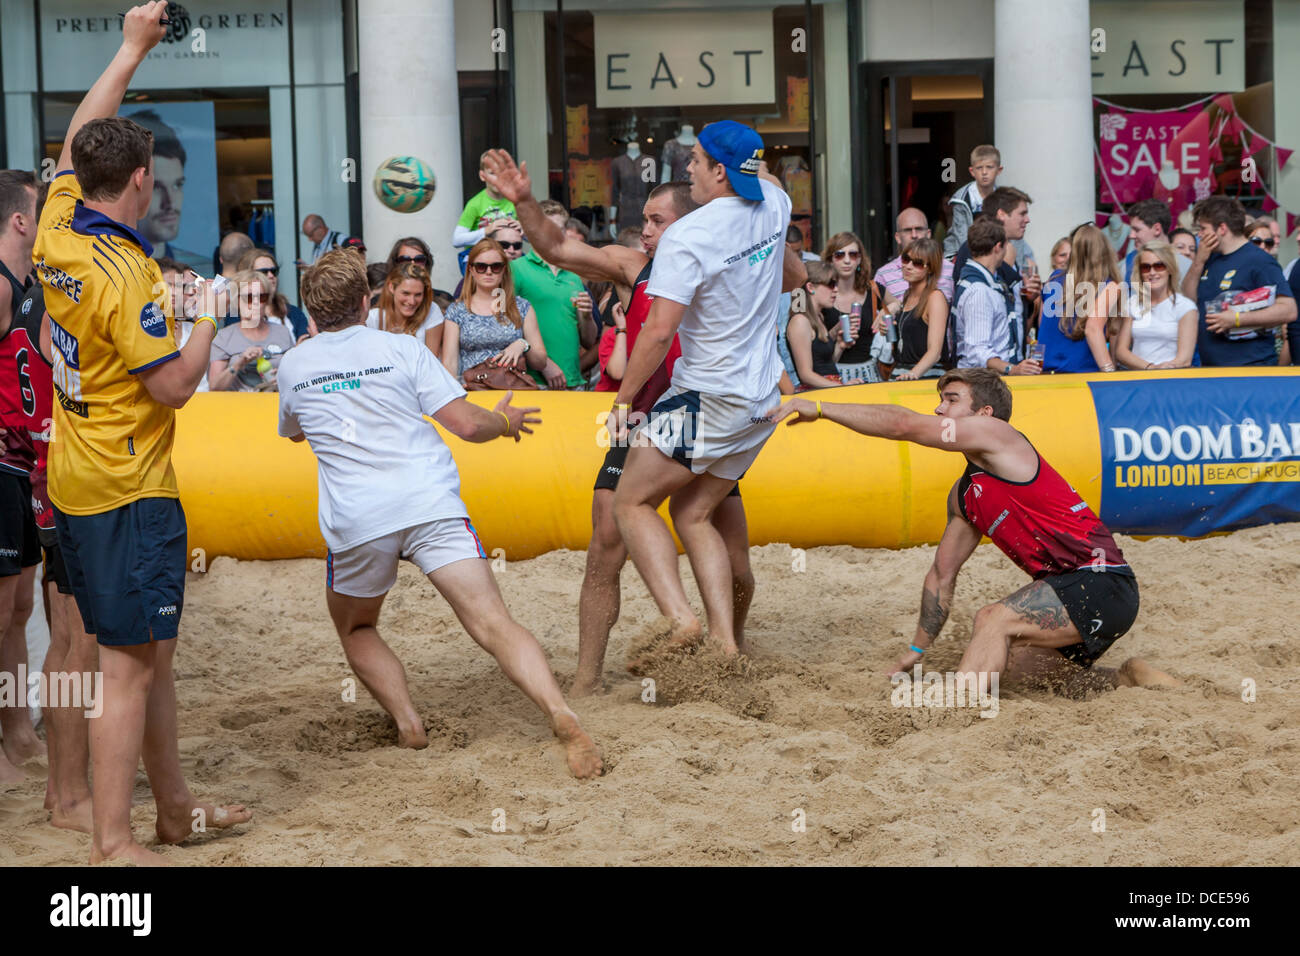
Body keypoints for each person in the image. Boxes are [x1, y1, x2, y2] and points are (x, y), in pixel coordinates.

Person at [35, 2, 250, 864]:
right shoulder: (129, 276)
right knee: (125, 668)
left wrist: (130, 49)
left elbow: (81, 134)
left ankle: (173, 810)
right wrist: (205, 313)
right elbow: (172, 389)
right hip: (129, 491)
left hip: (74, 478)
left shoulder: (56, 217)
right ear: (138, 185)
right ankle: (113, 843)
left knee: (146, 652)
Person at [279, 249, 602, 778]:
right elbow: (469, 426)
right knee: (495, 623)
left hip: (359, 518)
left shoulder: (296, 363)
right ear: (367, 301)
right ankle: (561, 714)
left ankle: (409, 723)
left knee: (358, 629)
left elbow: (294, 430)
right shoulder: (400, 349)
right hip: (428, 499)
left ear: (312, 313)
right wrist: (506, 422)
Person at [482, 149, 789, 694]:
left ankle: (724, 651)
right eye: (644, 221)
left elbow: (788, 275)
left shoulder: (715, 247)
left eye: (657, 221)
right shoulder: (633, 266)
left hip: (704, 411)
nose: (645, 231)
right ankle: (585, 679)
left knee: (733, 558)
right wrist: (524, 201)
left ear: (693, 219)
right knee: (606, 547)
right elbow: (554, 246)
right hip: (656, 417)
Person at [771, 369, 1181, 691]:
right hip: (1067, 595)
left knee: (991, 620)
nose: (938, 410)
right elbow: (941, 575)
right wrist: (917, 650)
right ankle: (1126, 676)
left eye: (951, 400)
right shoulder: (965, 495)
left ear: (984, 413)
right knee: (1015, 672)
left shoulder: (999, 435)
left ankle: (955, 714)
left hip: (1102, 583)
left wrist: (820, 408)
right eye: (939, 401)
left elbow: (902, 425)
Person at [607, 120, 793, 661]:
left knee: (632, 502)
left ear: (719, 171)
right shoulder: (775, 208)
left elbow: (659, 331)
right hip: (760, 404)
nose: (685, 167)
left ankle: (681, 620)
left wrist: (622, 401)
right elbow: (771, 183)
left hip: (708, 396)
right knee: (691, 515)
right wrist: (752, 165)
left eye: (696, 159)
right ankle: (723, 642)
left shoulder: (689, 235)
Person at [3, 277, 96, 827]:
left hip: (45, 483)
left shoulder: (33, 292)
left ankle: (60, 789)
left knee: (64, 638)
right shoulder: (58, 296)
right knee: (80, 644)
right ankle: (70, 796)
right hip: (71, 486)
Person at [0, 168, 43, 784]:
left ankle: (18, 728)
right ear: (18, 220)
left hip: (29, 463)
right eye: (42, 209)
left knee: (19, 607)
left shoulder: (35, 281)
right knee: (3, 606)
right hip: (3, 460)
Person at [1181, 196, 1297, 367]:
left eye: (1203, 228)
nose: (1200, 234)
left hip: (1250, 367)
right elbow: (1188, 299)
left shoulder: (1259, 260)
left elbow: (1288, 310)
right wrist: (1199, 261)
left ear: (1221, 228)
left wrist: (1236, 319)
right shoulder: (1208, 257)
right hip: (1211, 368)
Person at [510, 199, 597, 389]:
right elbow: (506, 327)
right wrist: (545, 365)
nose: (553, 233)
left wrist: (587, 316)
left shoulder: (574, 274)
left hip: (573, 381)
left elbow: (589, 341)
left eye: (559, 228)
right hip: (534, 381)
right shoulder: (516, 269)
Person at [441, 238, 548, 382]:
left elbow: (540, 363)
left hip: (512, 390)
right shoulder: (456, 311)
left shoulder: (522, 307)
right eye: (481, 266)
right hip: (472, 390)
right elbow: (449, 363)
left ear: (504, 269)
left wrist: (523, 344)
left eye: (495, 266)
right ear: (471, 270)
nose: (489, 272)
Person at [955, 219, 1040, 376]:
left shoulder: (988, 283)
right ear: (998, 247)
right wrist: (1012, 369)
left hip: (988, 378)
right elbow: (977, 351)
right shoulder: (979, 291)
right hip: (983, 381)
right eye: (1007, 244)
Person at [1039, 223, 1122, 373]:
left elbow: (1042, 327)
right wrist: (1109, 372)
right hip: (1082, 375)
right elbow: (1093, 329)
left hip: (1046, 373)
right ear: (1105, 252)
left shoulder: (1054, 278)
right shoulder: (1108, 285)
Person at [820, 231, 899, 383]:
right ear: (830, 260)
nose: (847, 260)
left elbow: (899, 303)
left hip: (871, 374)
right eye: (839, 255)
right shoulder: (822, 295)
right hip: (834, 376)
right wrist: (836, 331)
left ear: (859, 260)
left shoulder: (873, 289)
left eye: (853, 255)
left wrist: (890, 309)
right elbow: (816, 345)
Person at [951, 188, 1042, 312]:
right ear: (1001, 215)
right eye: (1022, 213)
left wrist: (1029, 296)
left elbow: (1015, 311)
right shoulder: (975, 248)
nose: (1027, 220)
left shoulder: (1012, 249)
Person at [1114, 241, 1197, 370]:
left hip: (1171, 379)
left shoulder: (1185, 307)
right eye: (1145, 267)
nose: (1152, 273)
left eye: (1159, 266)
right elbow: (1121, 351)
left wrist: (1161, 370)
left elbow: (1184, 359)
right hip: (1138, 378)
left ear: (1170, 268)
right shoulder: (1133, 303)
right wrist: (1150, 368)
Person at [208, 269, 296, 391]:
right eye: (249, 297)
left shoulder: (282, 332)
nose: (256, 303)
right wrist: (239, 363)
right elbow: (214, 386)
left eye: (262, 297)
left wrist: (284, 379)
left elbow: (297, 376)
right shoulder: (223, 338)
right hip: (239, 407)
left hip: (276, 404)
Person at [891, 238, 951, 379]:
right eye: (906, 259)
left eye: (917, 263)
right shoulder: (907, 295)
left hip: (926, 375)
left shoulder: (935, 297)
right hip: (900, 372)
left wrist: (912, 374)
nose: (908, 266)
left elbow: (935, 352)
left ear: (930, 268)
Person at [785, 261, 845, 389]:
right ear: (811, 287)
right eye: (831, 284)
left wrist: (840, 345)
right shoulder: (800, 321)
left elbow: (824, 366)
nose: (836, 289)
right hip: (817, 397)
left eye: (836, 284)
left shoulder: (818, 317)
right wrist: (841, 388)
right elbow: (806, 374)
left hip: (827, 391)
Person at [875, 208, 955, 301]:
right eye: (908, 230)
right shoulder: (883, 275)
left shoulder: (950, 270)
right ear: (898, 238)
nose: (914, 235)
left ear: (928, 234)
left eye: (919, 229)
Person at [367, 260, 443, 356]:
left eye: (418, 295)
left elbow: (431, 361)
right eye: (406, 293)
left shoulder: (431, 311)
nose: (412, 301)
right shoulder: (374, 318)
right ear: (391, 287)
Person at [236, 247, 309, 341]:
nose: (271, 276)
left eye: (274, 271)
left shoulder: (294, 313)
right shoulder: (236, 315)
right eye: (263, 272)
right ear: (248, 276)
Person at [453, 152, 518, 255]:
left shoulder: (515, 201)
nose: (498, 179)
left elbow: (532, 239)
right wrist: (487, 230)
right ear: (482, 176)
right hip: (479, 255)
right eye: (492, 173)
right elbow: (456, 240)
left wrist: (522, 230)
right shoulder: (475, 204)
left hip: (507, 252)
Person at [943, 145, 1002, 257]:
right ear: (972, 171)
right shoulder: (962, 199)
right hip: (962, 252)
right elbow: (962, 238)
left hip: (995, 252)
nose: (984, 172)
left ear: (999, 170)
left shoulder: (1003, 198)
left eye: (989, 167)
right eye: (979, 168)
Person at [1123, 199, 1193, 284]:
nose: (1131, 235)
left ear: (1157, 229)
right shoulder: (1130, 261)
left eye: (1137, 230)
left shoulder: (1185, 267)